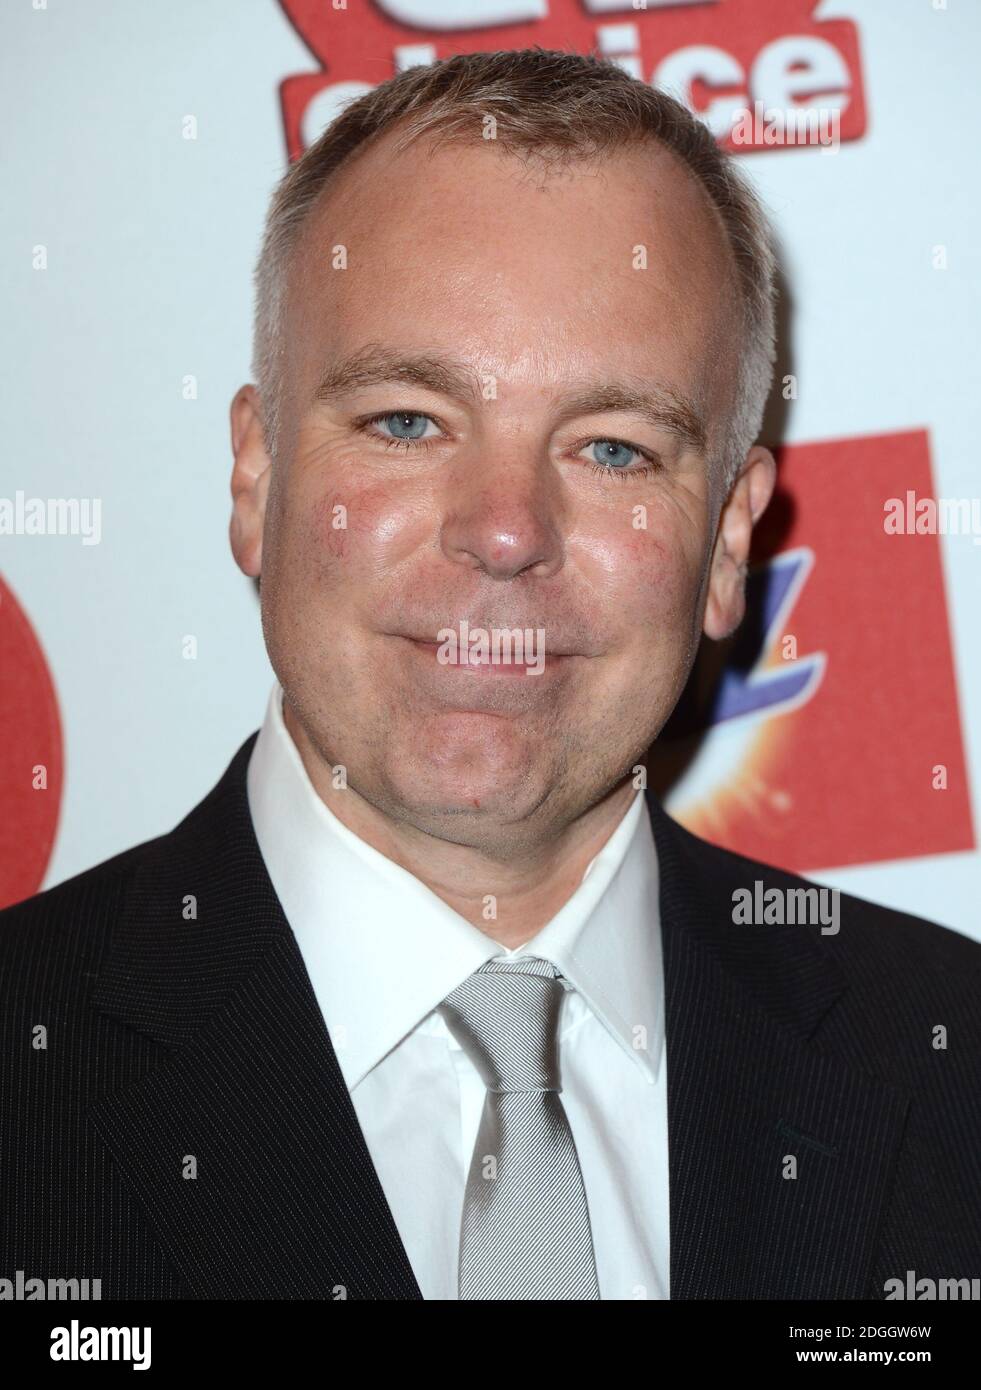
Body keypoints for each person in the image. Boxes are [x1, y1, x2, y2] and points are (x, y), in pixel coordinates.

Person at [2, 48, 979, 1302]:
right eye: (408, 420)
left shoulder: (947, 1065)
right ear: (257, 479)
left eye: (614, 448)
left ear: (730, 538)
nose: (507, 529)